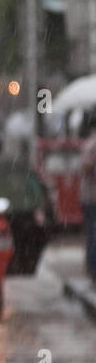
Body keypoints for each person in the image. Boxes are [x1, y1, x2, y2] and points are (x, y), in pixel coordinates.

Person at [79, 118, 96, 281]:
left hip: (89, 196)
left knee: (92, 232)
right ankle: (93, 268)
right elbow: (86, 167)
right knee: (93, 232)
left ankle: (91, 267)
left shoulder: (89, 144)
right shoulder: (92, 145)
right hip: (92, 196)